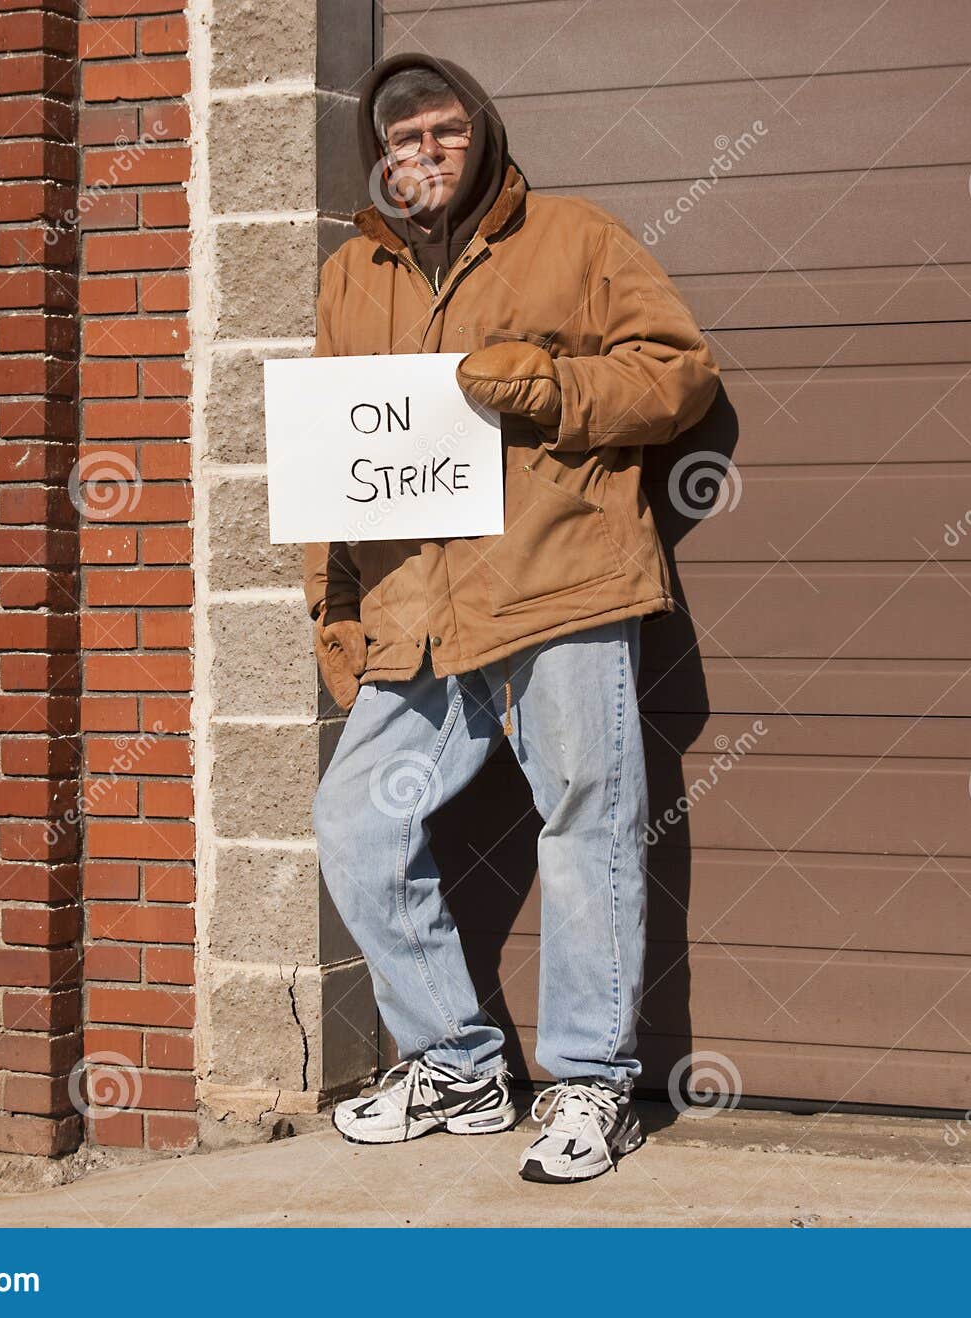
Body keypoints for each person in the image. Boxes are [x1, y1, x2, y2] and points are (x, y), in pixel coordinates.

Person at [306, 52, 719, 1184]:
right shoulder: (351, 274)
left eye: (444, 130)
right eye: (402, 140)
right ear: (379, 159)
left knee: (587, 822)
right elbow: (336, 447)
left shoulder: (575, 239)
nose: (424, 153)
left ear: (480, 132)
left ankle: (593, 1081)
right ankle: (457, 1064)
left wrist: (551, 387)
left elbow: (679, 372)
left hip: (558, 585)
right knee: (355, 820)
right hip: (416, 609)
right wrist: (331, 602)